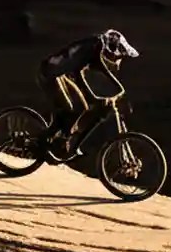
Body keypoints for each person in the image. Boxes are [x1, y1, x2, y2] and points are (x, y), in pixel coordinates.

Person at [35, 28, 140, 158]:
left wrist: (119, 88)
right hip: (50, 74)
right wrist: (92, 96)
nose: (117, 59)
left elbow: (99, 67)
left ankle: (65, 140)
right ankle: (42, 141)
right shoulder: (93, 46)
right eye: (118, 56)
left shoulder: (96, 46)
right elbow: (77, 73)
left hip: (58, 74)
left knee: (82, 107)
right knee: (69, 109)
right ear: (112, 48)